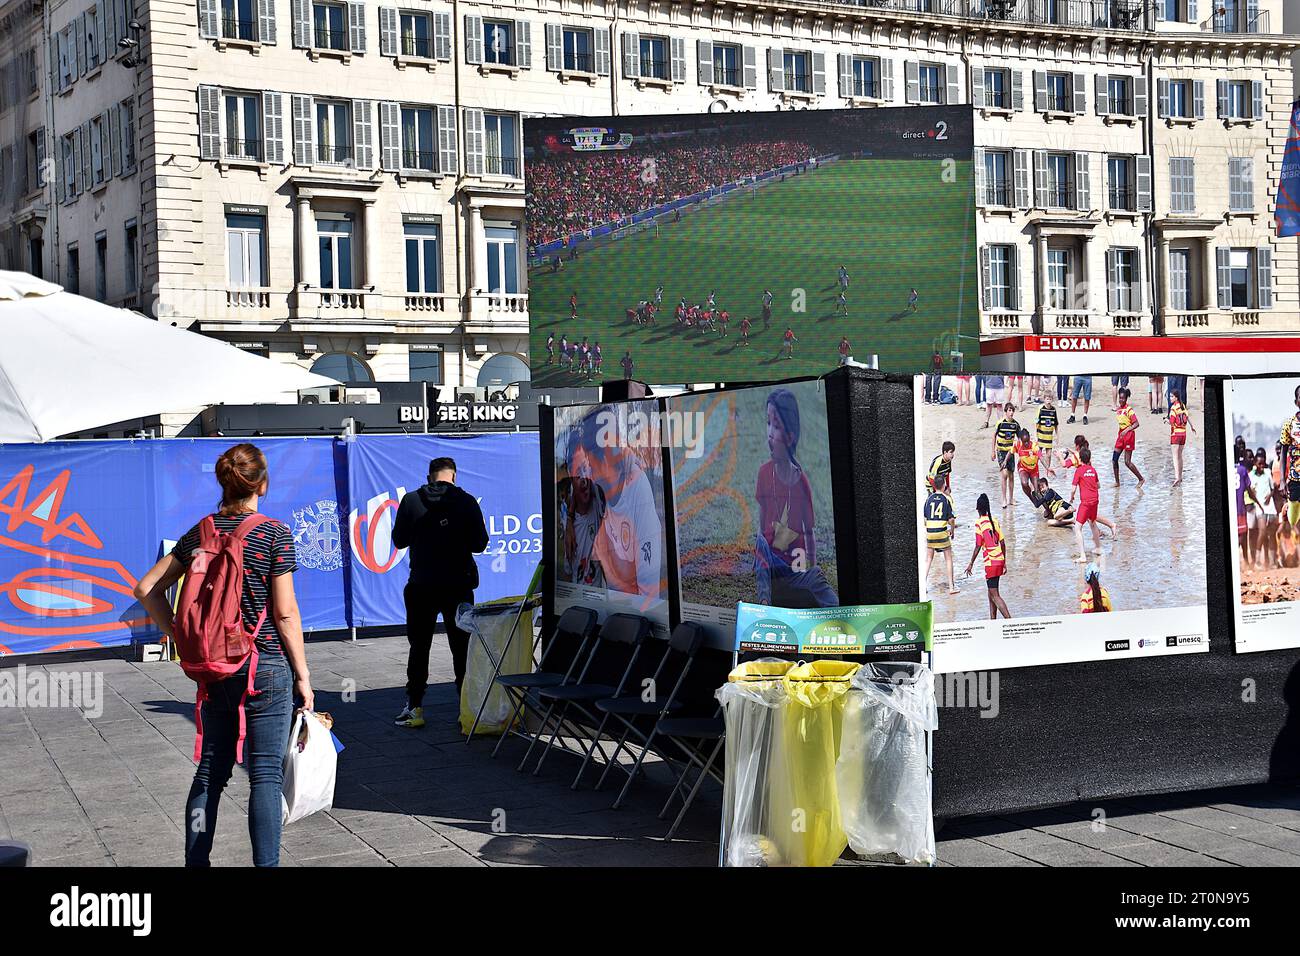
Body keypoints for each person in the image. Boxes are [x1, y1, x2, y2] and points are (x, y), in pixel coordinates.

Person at [133, 443, 312, 867]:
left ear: (224, 482)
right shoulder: (273, 533)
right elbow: (285, 614)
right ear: (262, 484)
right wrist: (303, 676)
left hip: (214, 668)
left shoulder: (201, 531)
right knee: (266, 774)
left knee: (210, 770)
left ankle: (196, 862)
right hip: (263, 662)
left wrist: (178, 633)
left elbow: (145, 589)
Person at [392, 457, 489, 730]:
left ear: (429, 477)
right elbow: (480, 544)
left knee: (419, 646)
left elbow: (399, 540)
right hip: (458, 585)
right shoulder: (467, 501)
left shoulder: (411, 500)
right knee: (462, 648)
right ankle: (466, 711)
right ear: (454, 477)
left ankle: (414, 707)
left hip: (422, 584)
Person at [753, 388, 838, 607]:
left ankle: (831, 609)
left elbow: (809, 533)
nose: (770, 432)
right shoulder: (764, 473)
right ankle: (764, 603)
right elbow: (762, 530)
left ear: (790, 436)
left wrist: (811, 566)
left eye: (777, 426)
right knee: (760, 543)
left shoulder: (801, 483)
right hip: (771, 562)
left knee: (818, 578)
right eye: (768, 423)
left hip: (795, 568)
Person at [964, 493, 1011, 619]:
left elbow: (978, 545)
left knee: (995, 595)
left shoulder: (979, 523)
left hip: (991, 563)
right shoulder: (994, 521)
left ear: (977, 509)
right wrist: (1004, 562)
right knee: (991, 592)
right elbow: (1003, 542)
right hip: (999, 559)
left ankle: (1010, 620)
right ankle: (993, 621)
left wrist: (971, 563)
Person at [1068, 446, 1113, 562]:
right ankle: (1098, 548)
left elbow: (1073, 489)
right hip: (1095, 501)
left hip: (1086, 502)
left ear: (1080, 459)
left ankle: (1082, 556)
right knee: (1092, 523)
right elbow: (1098, 486)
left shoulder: (1078, 471)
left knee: (1077, 528)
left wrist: (1071, 498)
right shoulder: (1093, 470)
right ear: (1089, 459)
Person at [1246, 448, 1279, 571]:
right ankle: (1257, 561)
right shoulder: (1250, 476)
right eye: (1259, 464)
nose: (1261, 466)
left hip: (1270, 507)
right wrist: (1256, 499)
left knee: (1272, 534)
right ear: (1255, 463)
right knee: (1262, 531)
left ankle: (1272, 562)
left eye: (1262, 464)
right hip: (1259, 508)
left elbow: (1272, 489)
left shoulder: (1267, 472)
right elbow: (1250, 492)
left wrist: (1270, 495)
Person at [923, 487, 960, 596]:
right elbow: (951, 519)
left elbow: (925, 519)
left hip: (930, 533)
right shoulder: (946, 499)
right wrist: (952, 531)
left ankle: (922, 585)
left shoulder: (928, 499)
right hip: (942, 532)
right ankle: (951, 587)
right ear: (944, 486)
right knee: (948, 558)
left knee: (928, 559)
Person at [1113, 387, 1144, 487]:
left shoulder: (1129, 409)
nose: (1121, 400)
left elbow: (1136, 423)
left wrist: (1126, 430)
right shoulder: (1118, 409)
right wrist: (1121, 432)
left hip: (1129, 435)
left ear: (1126, 399)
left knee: (1127, 462)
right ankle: (1117, 482)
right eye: (1120, 398)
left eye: (1123, 398)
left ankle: (1141, 479)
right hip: (1121, 435)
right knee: (1114, 459)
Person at [992, 402, 1020, 509]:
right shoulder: (1000, 423)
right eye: (1009, 410)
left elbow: (1020, 439)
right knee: (1004, 474)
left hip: (1011, 452)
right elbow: (993, 436)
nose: (1011, 413)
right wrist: (993, 451)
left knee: (1011, 475)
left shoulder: (1016, 425)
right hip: (1001, 451)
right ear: (1005, 412)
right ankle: (1003, 499)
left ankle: (1011, 498)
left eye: (1012, 411)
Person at [1168, 388, 1195, 486]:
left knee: (1175, 457)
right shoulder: (1183, 406)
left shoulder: (1173, 408)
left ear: (1176, 397)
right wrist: (1192, 427)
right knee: (1180, 456)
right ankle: (1180, 477)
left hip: (1175, 434)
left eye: (1171, 396)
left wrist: (1166, 421)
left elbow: (1172, 422)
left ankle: (1177, 478)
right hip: (1183, 434)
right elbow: (1187, 418)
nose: (1170, 398)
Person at [1012, 428, 1041, 505]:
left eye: (1028, 441)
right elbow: (1010, 452)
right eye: (1024, 442)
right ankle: (1031, 498)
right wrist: (1005, 461)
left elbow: (1040, 456)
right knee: (1024, 483)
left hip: (1034, 469)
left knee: (1038, 491)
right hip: (1023, 468)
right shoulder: (1018, 444)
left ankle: (1048, 510)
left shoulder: (1034, 445)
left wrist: (1047, 468)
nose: (1027, 443)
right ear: (1021, 440)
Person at [1036, 394, 1059, 477]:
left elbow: (1056, 423)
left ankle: (1048, 471)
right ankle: (1036, 470)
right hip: (1041, 435)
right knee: (1038, 454)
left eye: (1050, 399)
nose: (1048, 401)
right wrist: (1036, 435)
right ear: (1044, 400)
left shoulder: (1053, 410)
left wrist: (1057, 435)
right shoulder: (1041, 409)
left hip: (1049, 436)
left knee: (1048, 455)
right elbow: (1036, 422)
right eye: (1047, 399)